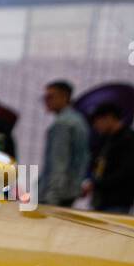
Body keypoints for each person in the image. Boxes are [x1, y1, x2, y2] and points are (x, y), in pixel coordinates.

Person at [39, 80, 89, 208]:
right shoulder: (78, 120)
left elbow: (58, 164)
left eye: (50, 97)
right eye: (45, 97)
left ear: (64, 97)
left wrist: (51, 197)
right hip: (69, 192)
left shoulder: (63, 124)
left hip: (56, 196)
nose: (46, 101)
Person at [86, 102, 134, 214]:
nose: (96, 126)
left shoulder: (128, 138)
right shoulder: (105, 139)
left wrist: (98, 183)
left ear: (109, 118)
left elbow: (126, 171)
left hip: (118, 201)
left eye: (98, 121)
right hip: (102, 199)